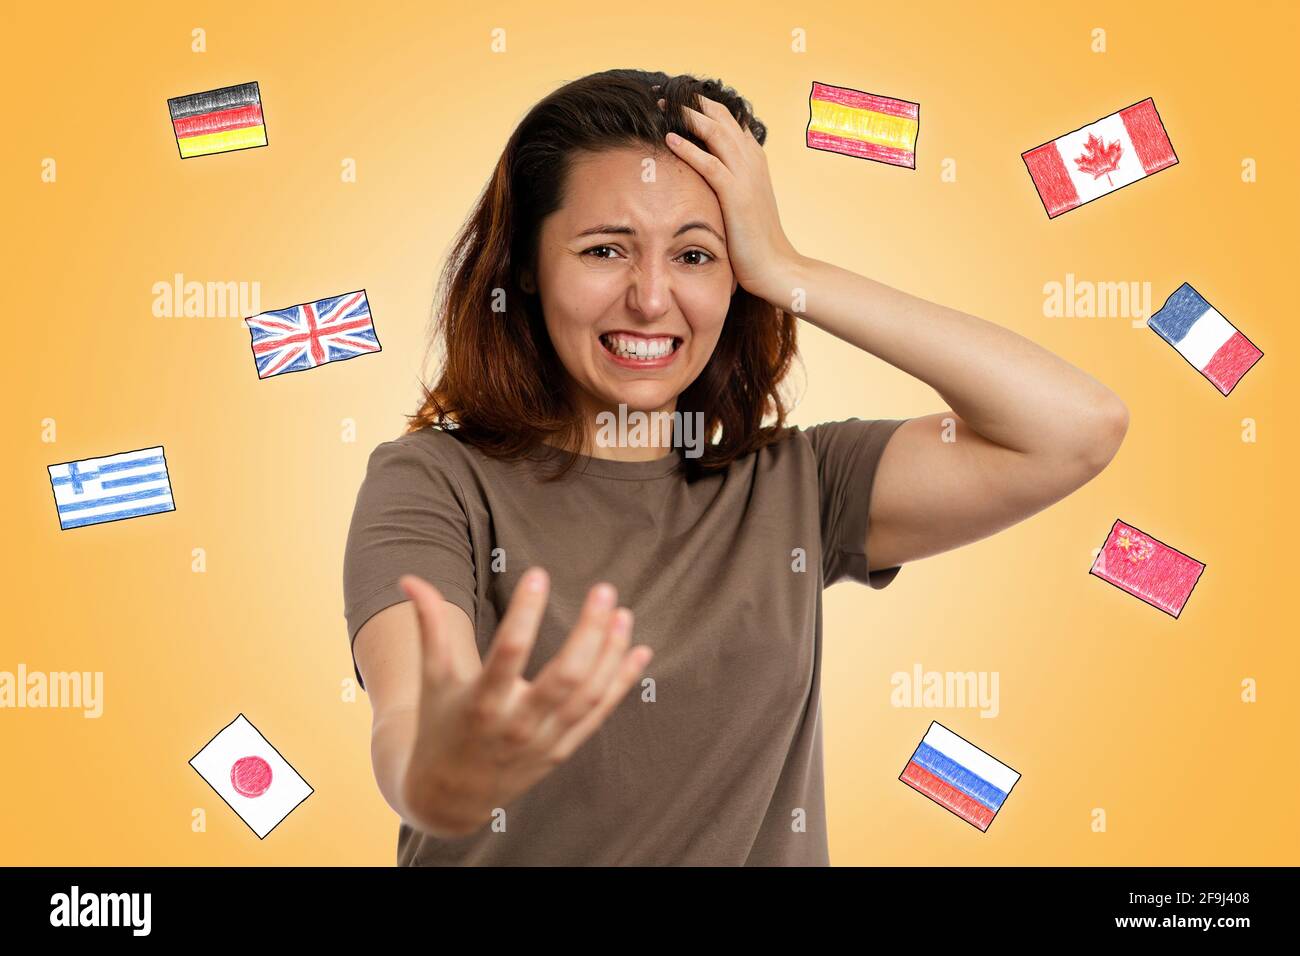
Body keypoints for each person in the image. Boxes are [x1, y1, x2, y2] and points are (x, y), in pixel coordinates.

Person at [341, 69, 1129, 865]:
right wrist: (447, 776)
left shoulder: (802, 487)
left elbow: (1075, 427)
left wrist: (791, 270)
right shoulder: (433, 482)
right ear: (525, 270)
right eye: (605, 249)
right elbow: (412, 720)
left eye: (695, 255)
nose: (651, 298)